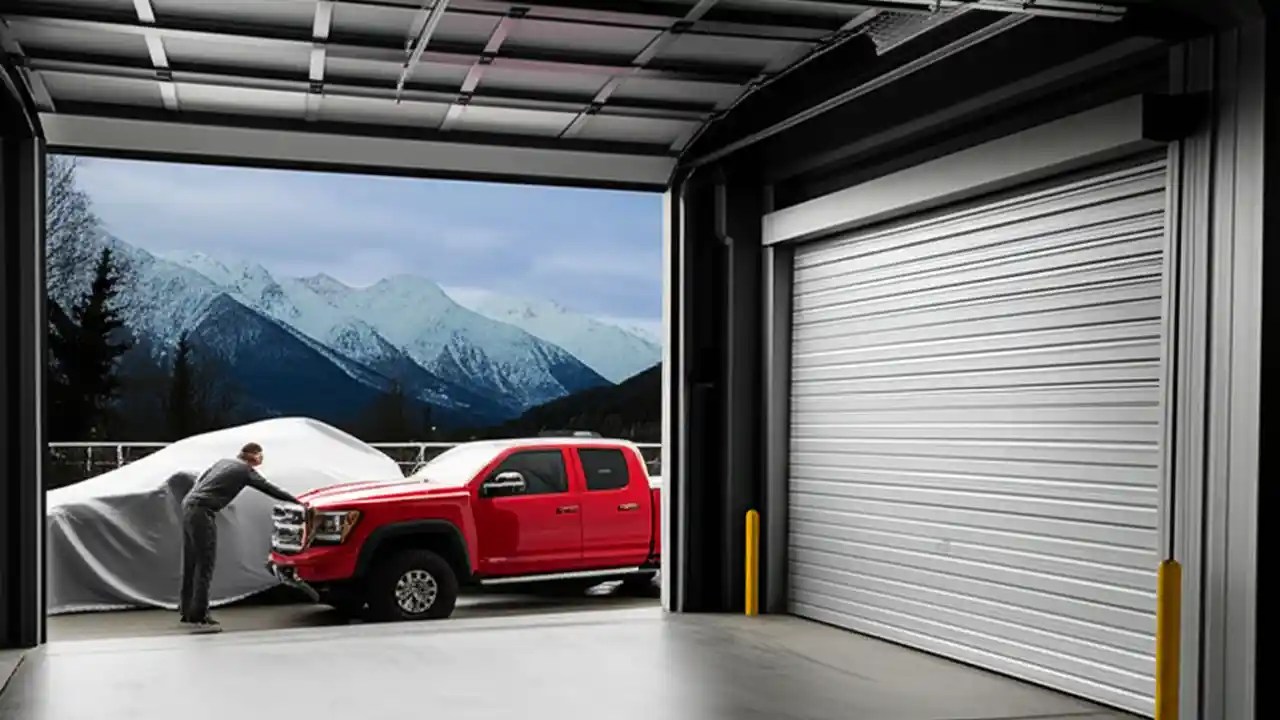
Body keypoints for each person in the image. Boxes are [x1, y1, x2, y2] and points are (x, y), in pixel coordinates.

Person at [179, 442, 299, 633]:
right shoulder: (245, 471)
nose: (262, 459)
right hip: (202, 511)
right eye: (260, 456)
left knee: (191, 561)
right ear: (253, 455)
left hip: (188, 506)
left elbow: (200, 481)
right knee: (205, 563)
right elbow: (270, 489)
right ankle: (199, 614)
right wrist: (298, 502)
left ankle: (187, 610)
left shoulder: (223, 462)